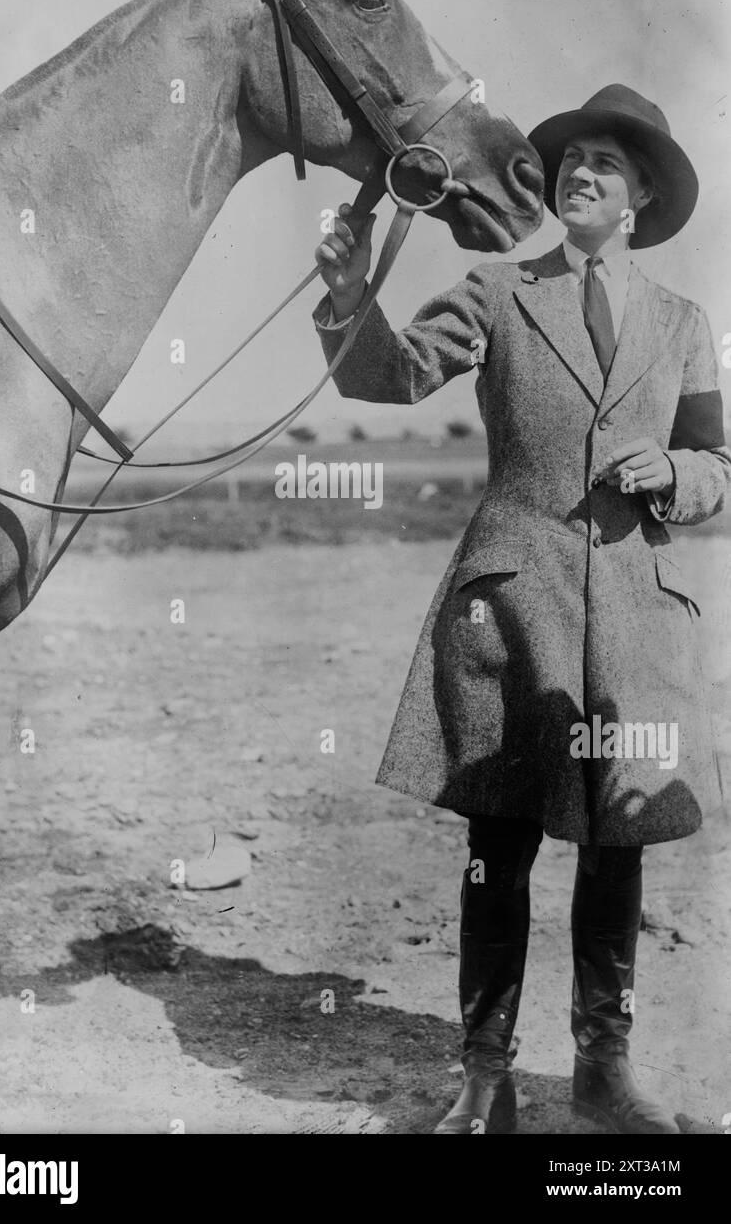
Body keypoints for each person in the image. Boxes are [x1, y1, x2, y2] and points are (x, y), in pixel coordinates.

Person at [312, 84, 730, 1135]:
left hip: (636, 612)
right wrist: (345, 292)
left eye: (605, 163)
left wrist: (671, 470)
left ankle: (604, 1073)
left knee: (617, 847)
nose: (580, 173)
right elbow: (391, 376)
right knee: (497, 850)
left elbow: (722, 464)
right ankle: (485, 1078)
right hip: (509, 611)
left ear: (638, 198)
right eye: (571, 158)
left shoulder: (684, 324)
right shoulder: (498, 290)